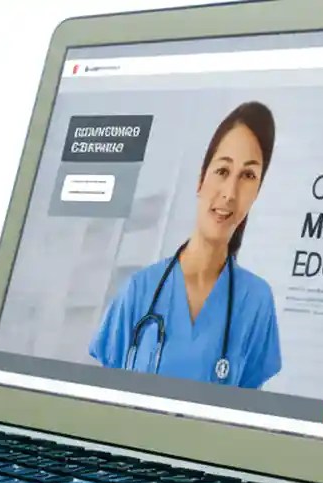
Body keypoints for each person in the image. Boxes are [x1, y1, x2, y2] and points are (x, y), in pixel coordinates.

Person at [89, 101, 282, 389]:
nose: (230, 193)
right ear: (200, 179)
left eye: (248, 176)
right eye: (222, 171)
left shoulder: (256, 301)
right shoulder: (139, 290)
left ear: (257, 192)